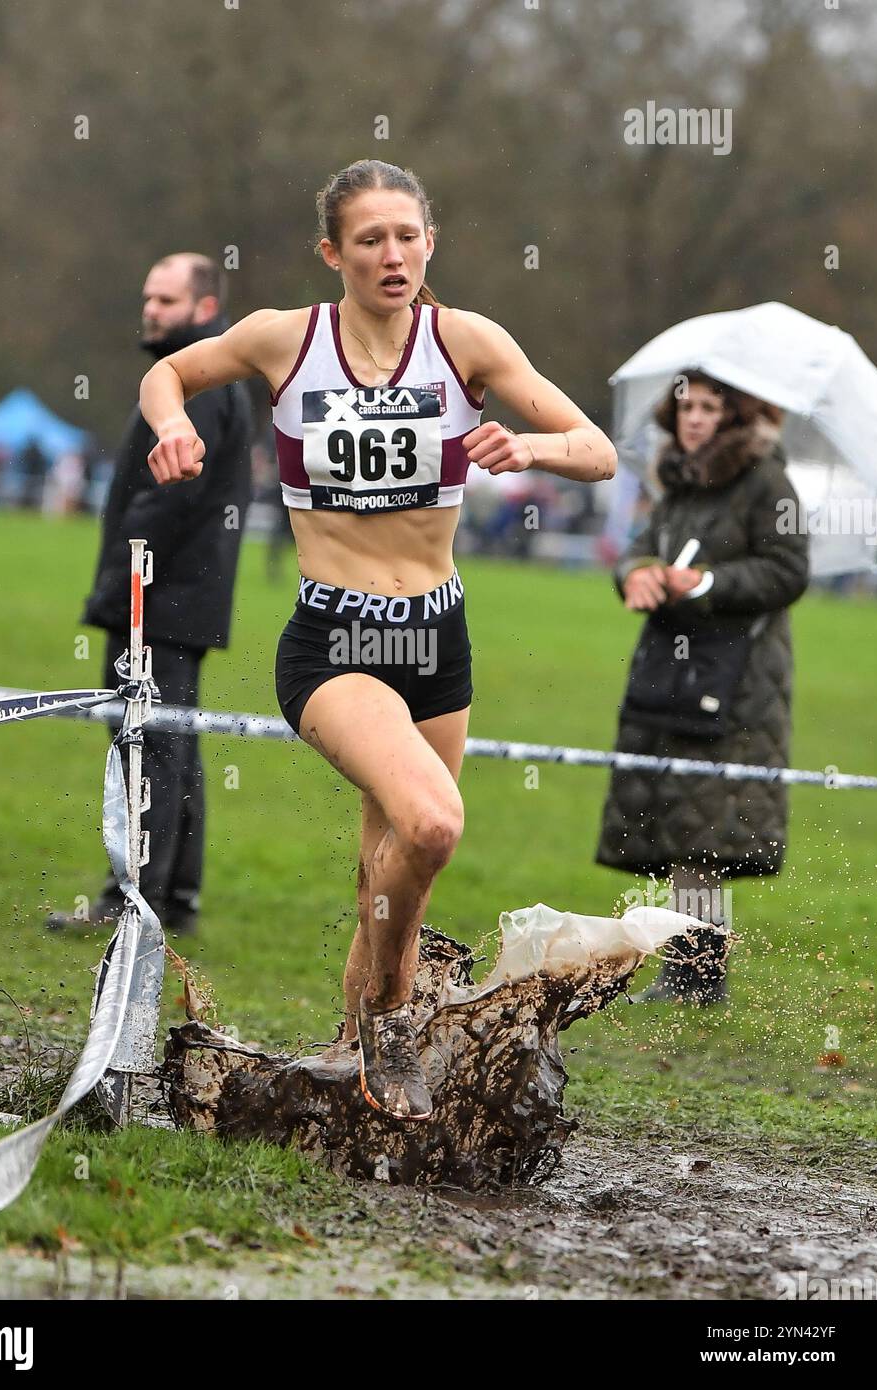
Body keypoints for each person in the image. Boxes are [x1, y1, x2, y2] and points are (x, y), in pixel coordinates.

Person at [139, 159, 616, 1119]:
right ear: (334, 253)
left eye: (406, 236)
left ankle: (353, 1066)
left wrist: (528, 446)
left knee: (387, 878)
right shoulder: (286, 339)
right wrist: (170, 426)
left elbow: (597, 450)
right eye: (369, 239)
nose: (391, 255)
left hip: (437, 639)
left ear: (428, 243)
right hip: (334, 641)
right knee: (432, 824)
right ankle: (396, 1009)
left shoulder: (466, 341)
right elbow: (169, 370)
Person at [47, 252, 252, 936]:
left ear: (202, 308)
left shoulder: (201, 381)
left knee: (148, 748)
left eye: (164, 300)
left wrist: (117, 586)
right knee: (171, 747)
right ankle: (175, 898)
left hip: (157, 601)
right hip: (174, 601)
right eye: (148, 297)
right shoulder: (204, 376)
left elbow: (167, 502)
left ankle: (134, 900)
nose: (150, 309)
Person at [596, 372, 810, 1004]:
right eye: (686, 405)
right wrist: (635, 575)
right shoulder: (679, 478)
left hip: (739, 678)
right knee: (679, 816)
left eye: (709, 407)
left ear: (736, 413)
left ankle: (697, 976)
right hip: (674, 664)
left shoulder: (768, 479)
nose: (693, 418)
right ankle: (690, 971)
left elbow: (788, 569)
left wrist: (706, 583)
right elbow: (637, 549)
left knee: (703, 827)